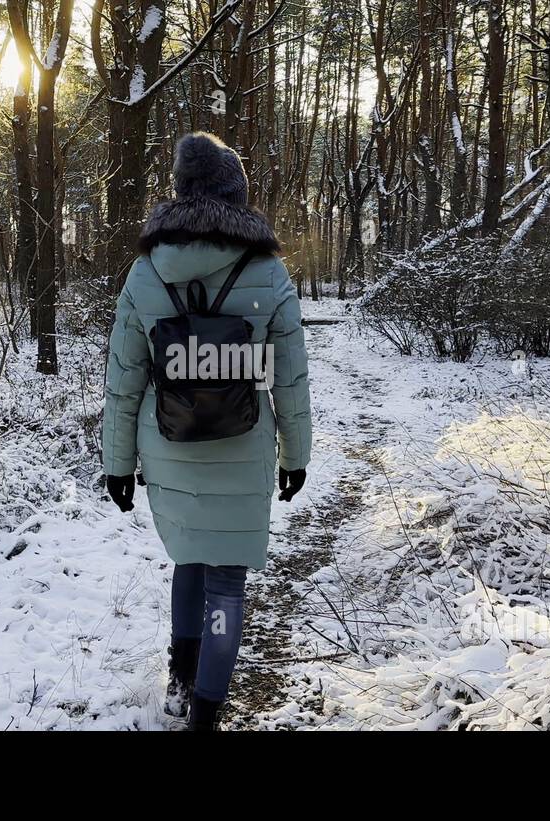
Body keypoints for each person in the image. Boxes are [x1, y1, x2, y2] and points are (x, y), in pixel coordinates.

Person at [101, 132, 313, 731]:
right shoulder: (268, 271)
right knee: (225, 583)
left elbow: (123, 381)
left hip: (165, 446)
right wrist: (295, 455)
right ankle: (205, 716)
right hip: (243, 446)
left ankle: (179, 677)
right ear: (235, 197)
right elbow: (291, 380)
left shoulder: (146, 272)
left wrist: (117, 463)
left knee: (189, 560)